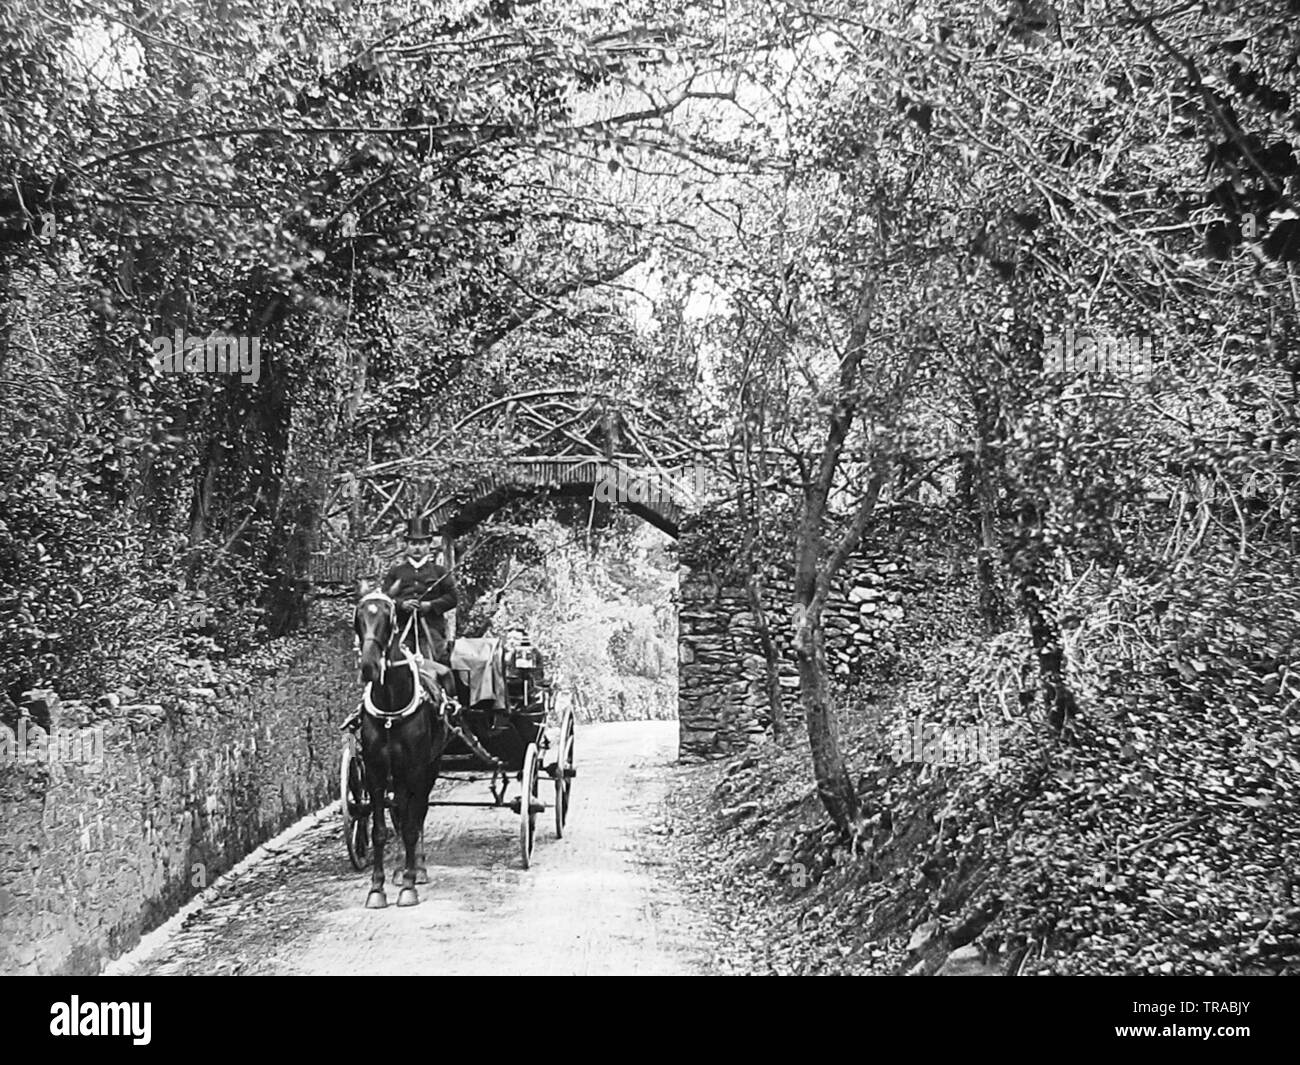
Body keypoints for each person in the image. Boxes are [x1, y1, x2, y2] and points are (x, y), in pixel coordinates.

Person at [384, 516, 457, 666]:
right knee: (392, 664)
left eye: (422, 543)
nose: (417, 548)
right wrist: (401, 604)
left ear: (429, 545)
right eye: (413, 543)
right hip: (402, 629)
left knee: (443, 664)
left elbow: (452, 598)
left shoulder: (439, 571)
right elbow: (384, 599)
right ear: (407, 545)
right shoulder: (396, 572)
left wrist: (430, 605)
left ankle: (445, 690)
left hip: (431, 629)